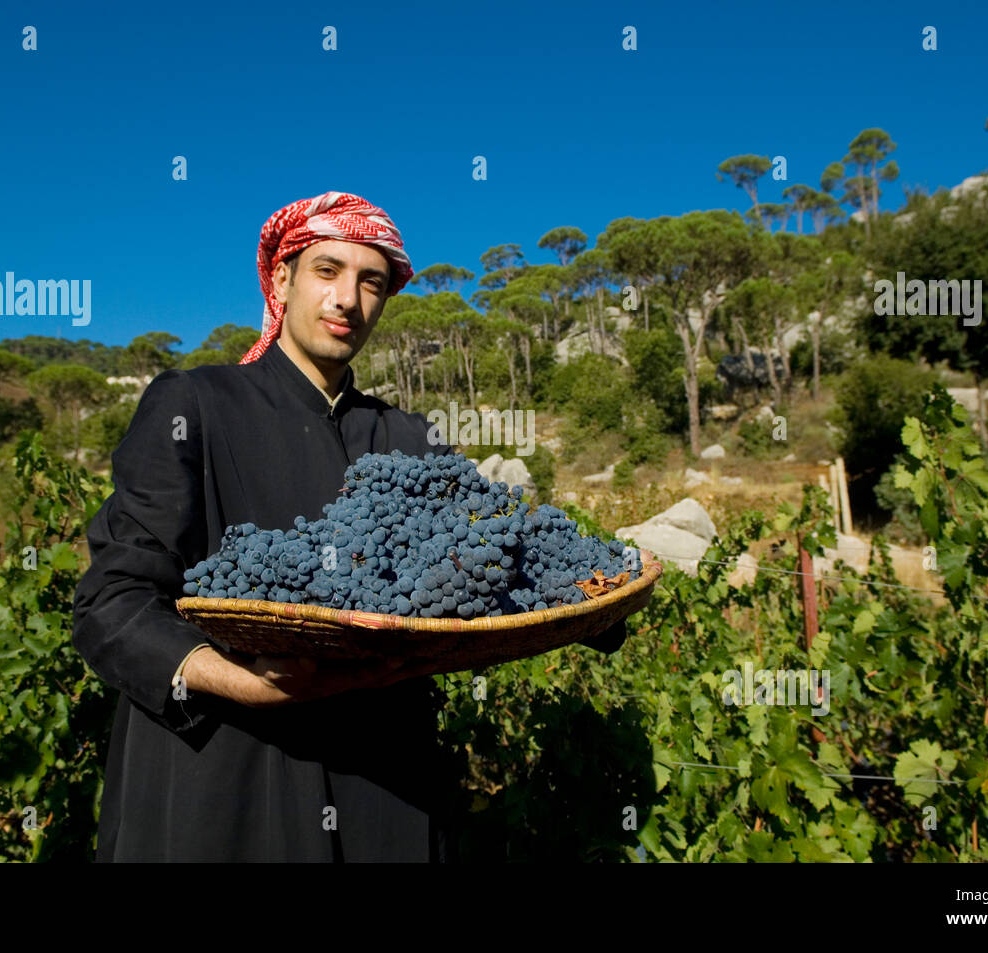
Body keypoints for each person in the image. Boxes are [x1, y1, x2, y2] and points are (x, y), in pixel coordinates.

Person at [72, 190, 625, 862]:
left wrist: (600, 597)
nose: (347, 301)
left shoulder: (409, 438)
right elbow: (113, 602)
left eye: (370, 282)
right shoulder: (196, 405)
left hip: (383, 788)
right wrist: (238, 679)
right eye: (327, 271)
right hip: (226, 782)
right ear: (283, 278)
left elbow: (506, 563)